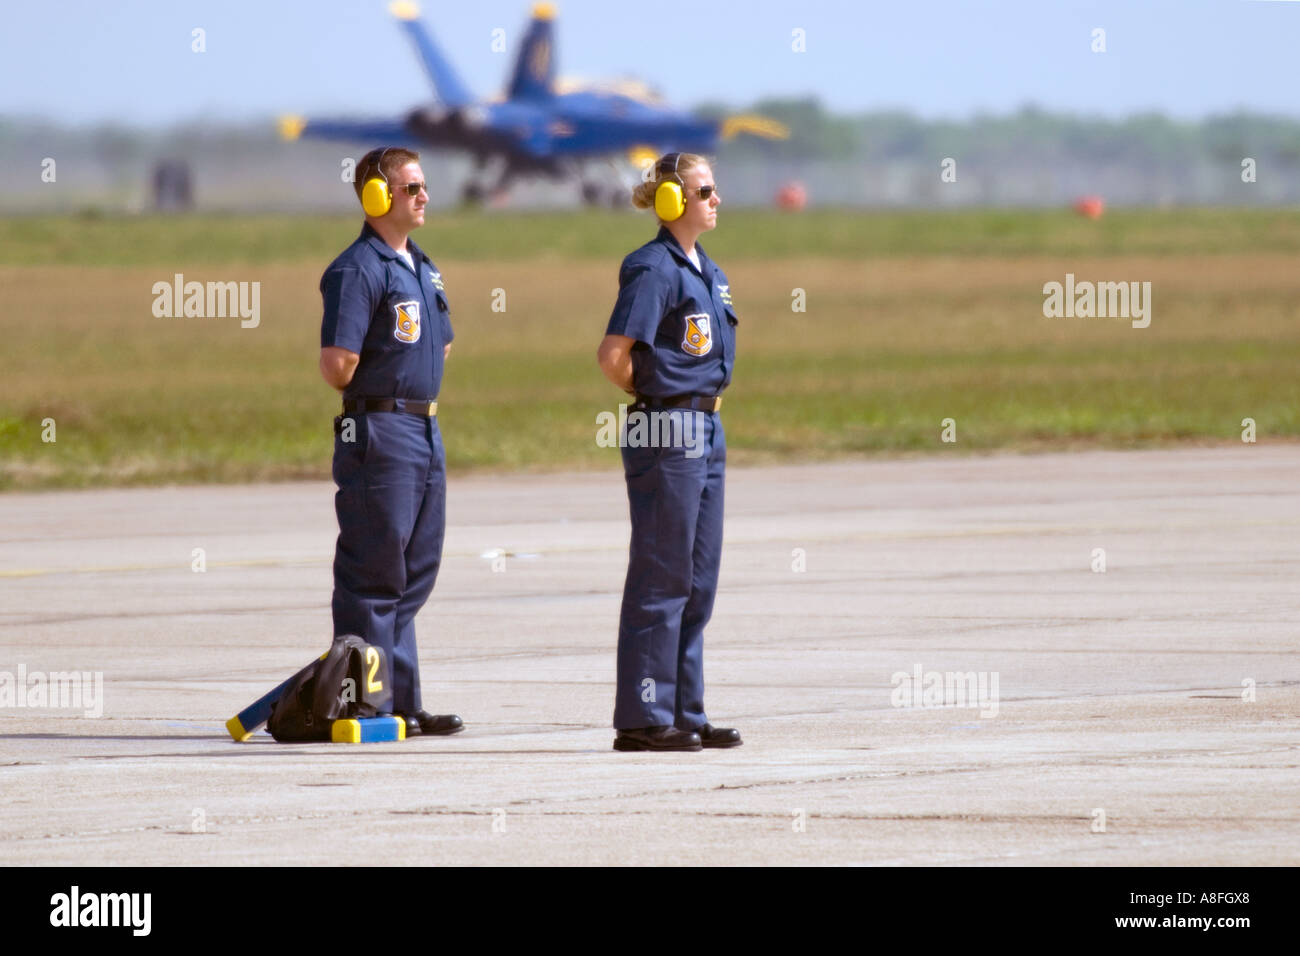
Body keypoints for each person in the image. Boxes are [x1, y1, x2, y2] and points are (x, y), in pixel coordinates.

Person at [596, 152, 743, 752]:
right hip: (669, 427)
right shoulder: (653, 267)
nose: (716, 199)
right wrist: (659, 396)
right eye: (704, 191)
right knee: (663, 574)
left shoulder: (707, 269)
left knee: (697, 576)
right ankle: (643, 716)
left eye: (714, 189)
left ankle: (685, 709)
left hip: (706, 426)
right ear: (672, 200)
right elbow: (613, 356)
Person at [318, 146, 462, 737]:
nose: (424, 196)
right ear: (378, 196)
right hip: (380, 428)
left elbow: (442, 341)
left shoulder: (421, 265)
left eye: (423, 185)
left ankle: (401, 699)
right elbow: (337, 365)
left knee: (415, 568)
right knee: (374, 571)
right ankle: (364, 701)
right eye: (411, 188)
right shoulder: (359, 269)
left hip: (424, 428)